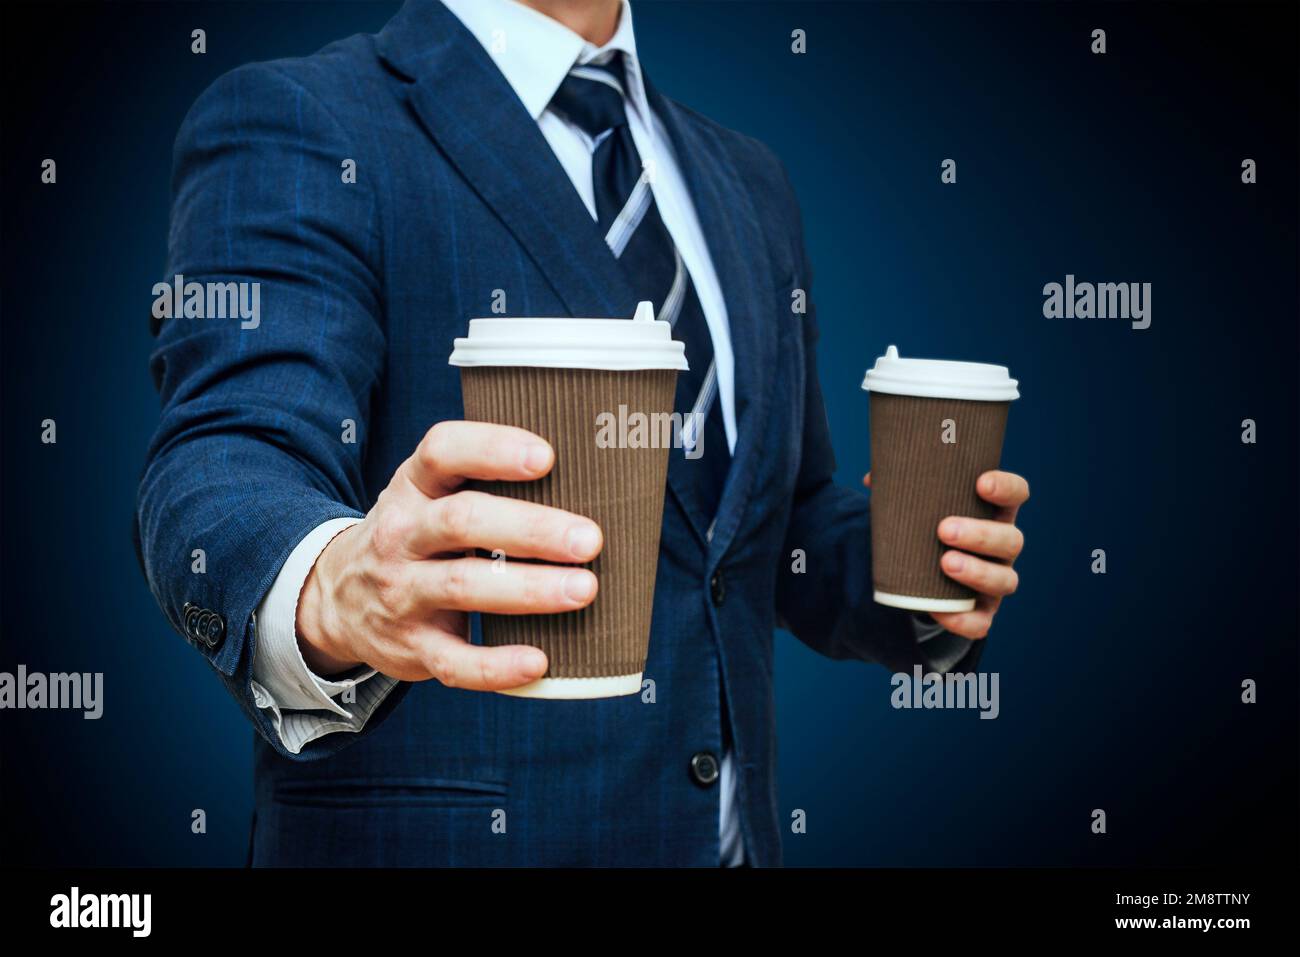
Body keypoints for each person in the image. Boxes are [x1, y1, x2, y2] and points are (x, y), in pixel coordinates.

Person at [137, 0, 1029, 866]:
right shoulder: (303, 117)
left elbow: (768, 527)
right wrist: (330, 587)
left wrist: (930, 579)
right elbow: (226, 451)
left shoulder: (749, 178)